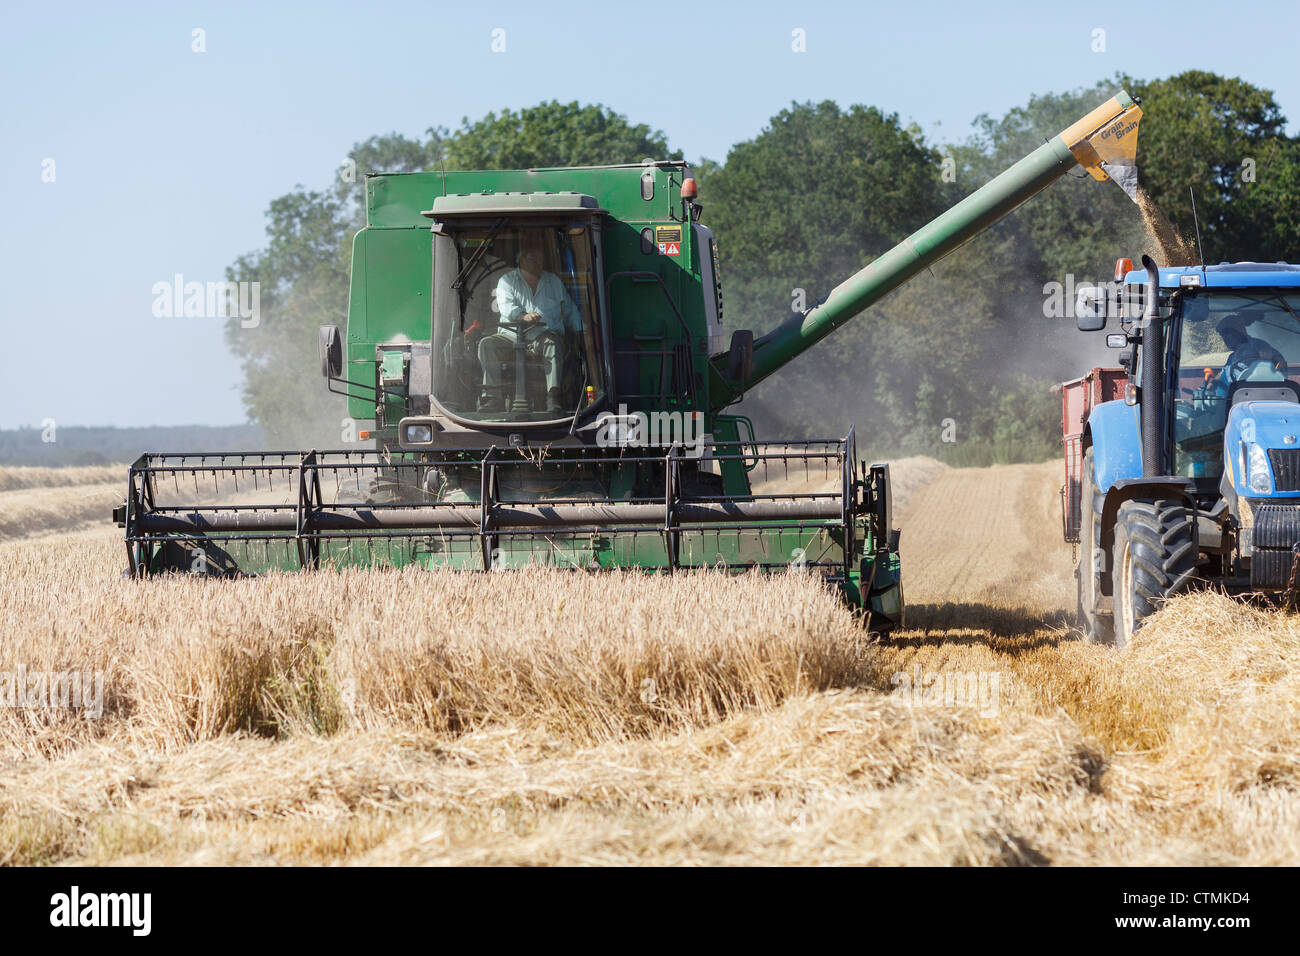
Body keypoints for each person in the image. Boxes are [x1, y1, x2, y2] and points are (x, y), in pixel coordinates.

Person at [478, 232, 582, 412]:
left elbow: (569, 310)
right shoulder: (507, 281)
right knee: (487, 345)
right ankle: (492, 398)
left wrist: (584, 329)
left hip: (542, 336)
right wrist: (523, 316)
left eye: (541, 260)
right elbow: (507, 308)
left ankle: (553, 397)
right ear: (522, 260)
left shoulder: (554, 283)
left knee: (553, 342)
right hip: (511, 337)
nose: (538, 264)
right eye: (533, 259)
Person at [1217, 313, 1287, 385]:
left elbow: (1280, 363)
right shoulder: (1231, 357)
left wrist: (1268, 362)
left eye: (1227, 332)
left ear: (1239, 330)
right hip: (1234, 393)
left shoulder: (1259, 346)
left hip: (1254, 392)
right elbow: (1224, 373)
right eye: (1222, 335)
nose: (1225, 338)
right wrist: (1214, 381)